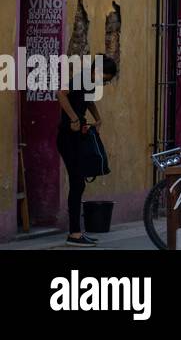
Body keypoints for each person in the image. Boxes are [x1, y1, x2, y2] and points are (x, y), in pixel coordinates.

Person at [56, 57, 117, 247]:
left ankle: (76, 232)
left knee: (79, 183)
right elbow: (61, 94)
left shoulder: (89, 82)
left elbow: (88, 101)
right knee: (76, 183)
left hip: (77, 137)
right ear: (96, 71)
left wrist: (98, 119)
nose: (104, 83)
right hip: (67, 137)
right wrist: (74, 119)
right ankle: (74, 234)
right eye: (104, 79)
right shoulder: (81, 79)